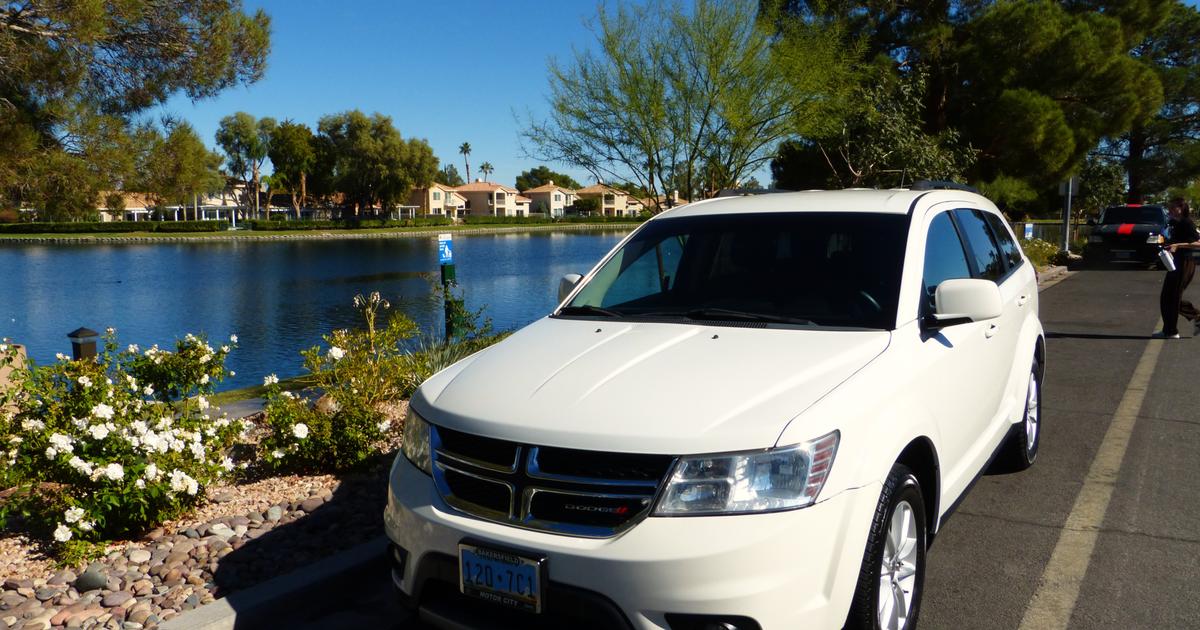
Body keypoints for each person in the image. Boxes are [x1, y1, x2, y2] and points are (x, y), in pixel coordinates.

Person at [1158, 197, 1200, 338]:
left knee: (1173, 296)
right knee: (1167, 297)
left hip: (1185, 262)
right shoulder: (1173, 223)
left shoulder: (1187, 223)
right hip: (1174, 262)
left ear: (1181, 208)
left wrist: (1178, 245)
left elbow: (1198, 243)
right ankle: (1169, 329)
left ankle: (1171, 331)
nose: (1170, 210)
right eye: (1169, 208)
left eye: (1173, 208)